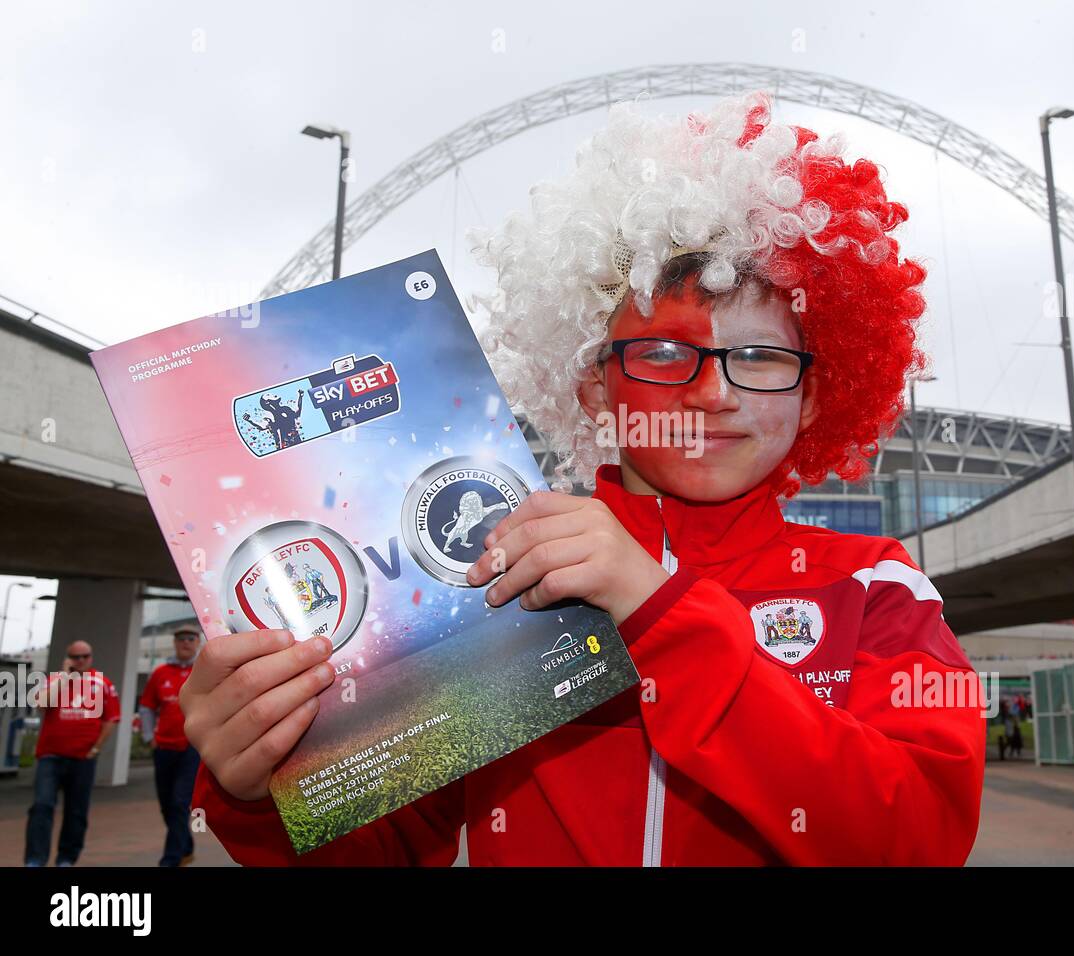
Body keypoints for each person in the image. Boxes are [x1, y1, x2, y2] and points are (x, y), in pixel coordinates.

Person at [182, 89, 986, 866]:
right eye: (666, 353)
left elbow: (916, 836)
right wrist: (263, 794)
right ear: (595, 387)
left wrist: (661, 614)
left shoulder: (875, 586)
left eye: (761, 357)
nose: (714, 392)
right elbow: (388, 850)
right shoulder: (497, 573)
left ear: (815, 398)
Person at [23, 640, 120, 867]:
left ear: (91, 657)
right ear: (68, 659)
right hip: (50, 756)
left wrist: (96, 749)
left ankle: (67, 858)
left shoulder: (102, 683)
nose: (81, 661)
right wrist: (64, 677)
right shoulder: (54, 681)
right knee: (41, 806)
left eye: (85, 656)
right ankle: (35, 860)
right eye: (75, 657)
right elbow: (43, 704)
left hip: (82, 759)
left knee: (76, 811)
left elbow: (111, 719)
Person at [139, 626, 203, 866]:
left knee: (179, 802)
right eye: (181, 639)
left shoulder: (204, 671)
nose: (186, 643)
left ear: (198, 642)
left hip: (192, 748)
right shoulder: (160, 673)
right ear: (174, 643)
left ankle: (171, 859)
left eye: (190, 639)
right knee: (167, 805)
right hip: (164, 748)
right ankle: (185, 846)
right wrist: (149, 737)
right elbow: (146, 707)